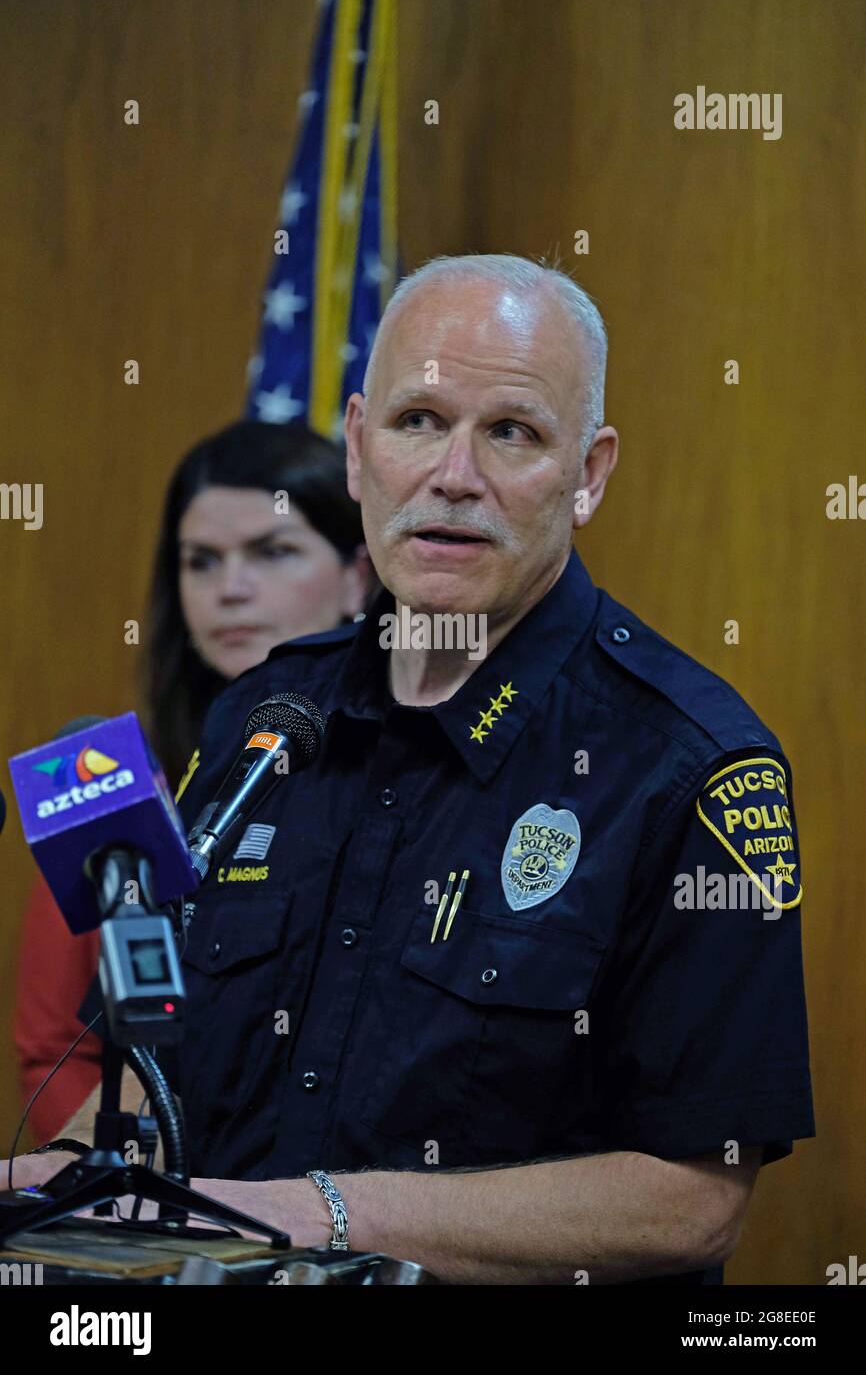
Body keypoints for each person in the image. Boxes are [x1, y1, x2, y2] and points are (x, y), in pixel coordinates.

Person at [16, 255, 814, 1285]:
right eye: (417, 422)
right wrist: (61, 1181)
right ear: (356, 451)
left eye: (511, 433)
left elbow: (690, 1200)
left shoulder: (689, 765)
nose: (452, 475)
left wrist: (325, 1213)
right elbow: (175, 1068)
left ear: (590, 473)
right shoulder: (263, 717)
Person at [13, 420, 374, 1141]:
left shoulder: (410, 781)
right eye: (201, 561)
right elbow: (58, 1049)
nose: (230, 589)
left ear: (357, 577)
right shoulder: (114, 777)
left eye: (272, 553)